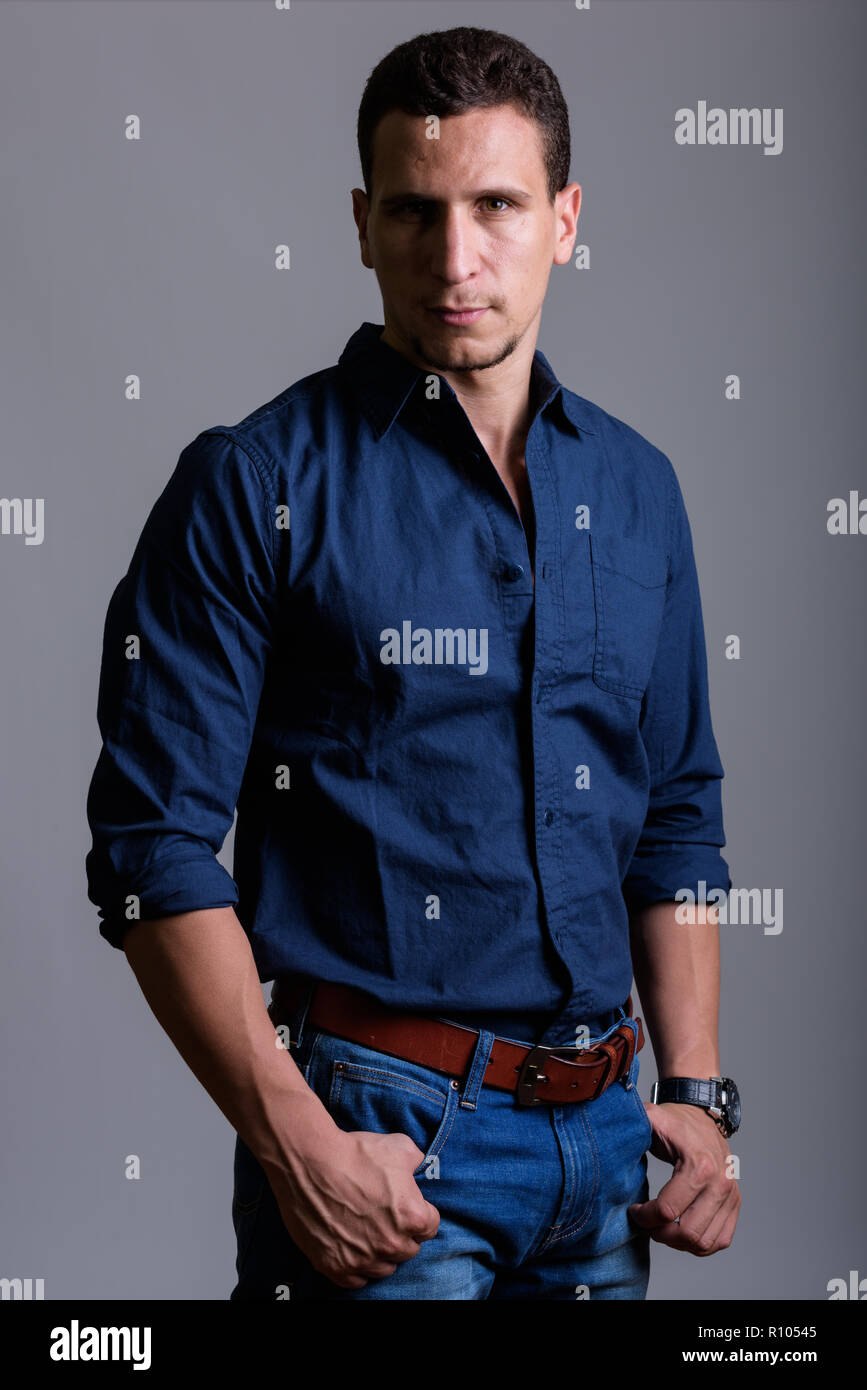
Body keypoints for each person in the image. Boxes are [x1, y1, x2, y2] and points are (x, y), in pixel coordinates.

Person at [85, 25, 741, 1301]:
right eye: (414, 211)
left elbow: (676, 813)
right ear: (360, 221)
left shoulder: (637, 487)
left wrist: (701, 1091)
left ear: (564, 218)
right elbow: (149, 849)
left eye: (497, 206)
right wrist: (296, 1143)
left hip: (607, 1146)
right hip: (383, 1138)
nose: (455, 258)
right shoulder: (254, 484)